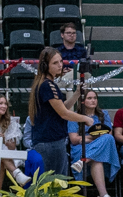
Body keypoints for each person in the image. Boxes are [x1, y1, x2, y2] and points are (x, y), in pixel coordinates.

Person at [29, 47, 94, 183]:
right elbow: (63, 113)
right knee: (54, 185)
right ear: (46, 66)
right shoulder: (48, 85)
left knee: (53, 184)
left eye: (60, 61)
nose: (60, 65)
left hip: (50, 140)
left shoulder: (47, 84)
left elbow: (61, 107)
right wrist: (85, 118)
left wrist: (77, 93)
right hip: (50, 141)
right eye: (55, 63)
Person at [69, 89, 121, 197]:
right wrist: (93, 138)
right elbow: (74, 139)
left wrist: (87, 138)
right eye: (89, 98)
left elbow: (108, 134)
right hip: (81, 149)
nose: (93, 101)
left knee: (107, 141)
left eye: (95, 98)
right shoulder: (74, 116)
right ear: (82, 101)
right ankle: (104, 196)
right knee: (99, 155)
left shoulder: (103, 115)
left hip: (97, 149)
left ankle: (84, 161)